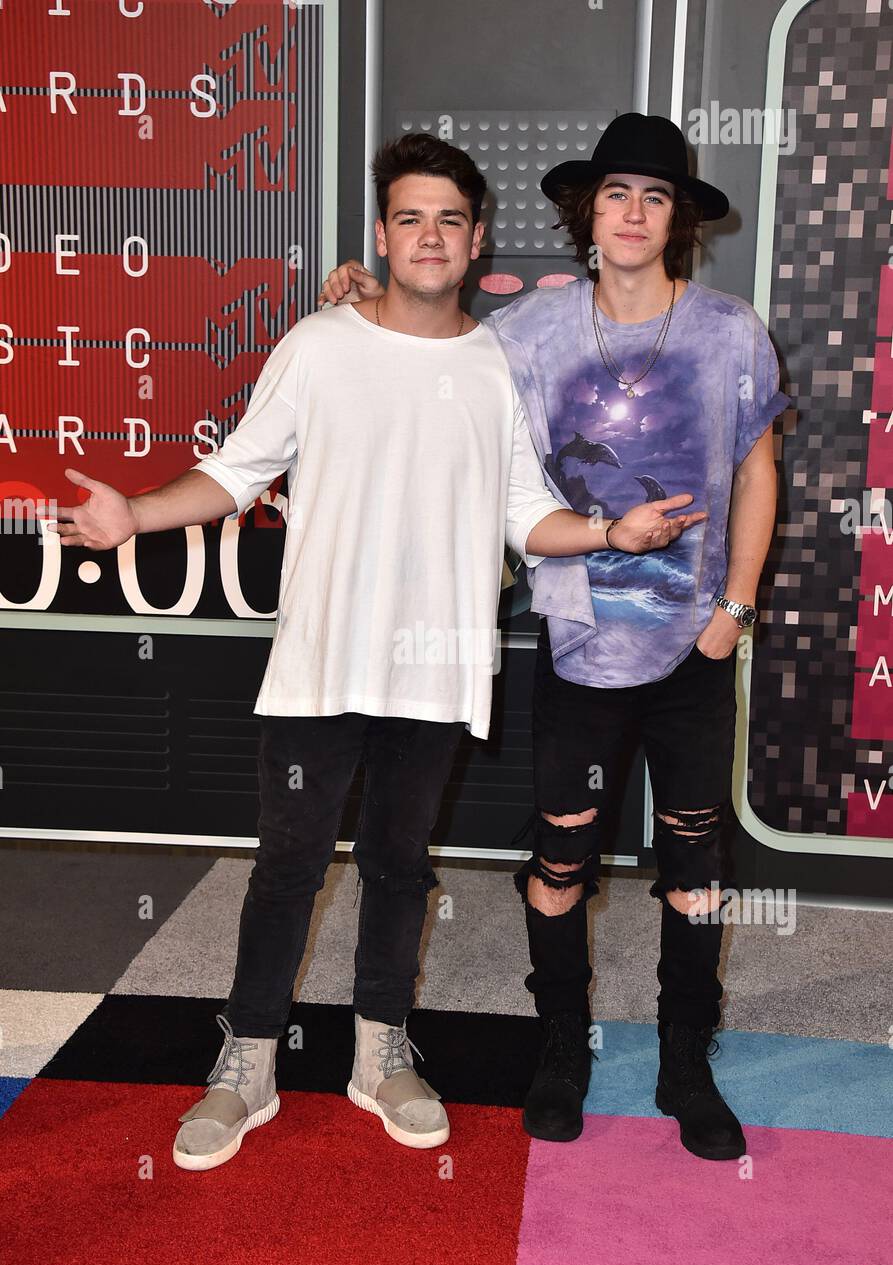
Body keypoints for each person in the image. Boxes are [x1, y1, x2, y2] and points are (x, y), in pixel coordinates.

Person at [50, 131, 704, 1170]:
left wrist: (606, 532)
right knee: (286, 868)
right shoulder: (317, 344)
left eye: (450, 217)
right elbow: (235, 471)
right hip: (321, 661)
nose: (430, 235)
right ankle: (249, 1059)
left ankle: (375, 1048)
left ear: (477, 236)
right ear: (381, 234)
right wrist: (135, 512)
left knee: (402, 868)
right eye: (410, 217)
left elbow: (523, 509)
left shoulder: (495, 365)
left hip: (435, 668)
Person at [319, 113, 790, 1159]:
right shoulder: (527, 333)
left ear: (676, 220)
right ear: (587, 213)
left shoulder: (728, 333)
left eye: (653, 196)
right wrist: (362, 298)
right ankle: (561, 1045)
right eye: (615, 193)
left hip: (694, 650)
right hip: (578, 645)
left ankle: (682, 1055)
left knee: (693, 865)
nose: (631, 213)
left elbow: (758, 470)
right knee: (560, 858)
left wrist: (736, 609)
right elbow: (424, 346)